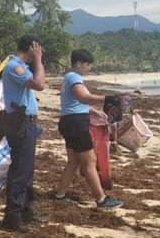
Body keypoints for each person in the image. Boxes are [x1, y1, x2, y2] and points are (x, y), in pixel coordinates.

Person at [52, 49, 123, 209]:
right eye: (87, 65)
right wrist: (109, 98)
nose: (88, 68)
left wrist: (94, 111)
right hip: (76, 124)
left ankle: (60, 194)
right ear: (78, 63)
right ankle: (101, 199)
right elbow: (83, 97)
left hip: (69, 121)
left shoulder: (69, 77)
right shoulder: (74, 77)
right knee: (90, 161)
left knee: (74, 161)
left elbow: (75, 102)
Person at [0, 36, 46, 231]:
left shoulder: (20, 66)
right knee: (20, 170)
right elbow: (40, 84)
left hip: (26, 123)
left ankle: (25, 210)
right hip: (21, 123)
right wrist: (38, 59)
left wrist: (36, 62)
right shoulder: (14, 66)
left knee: (26, 170)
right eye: (38, 48)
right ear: (32, 48)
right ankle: (13, 217)